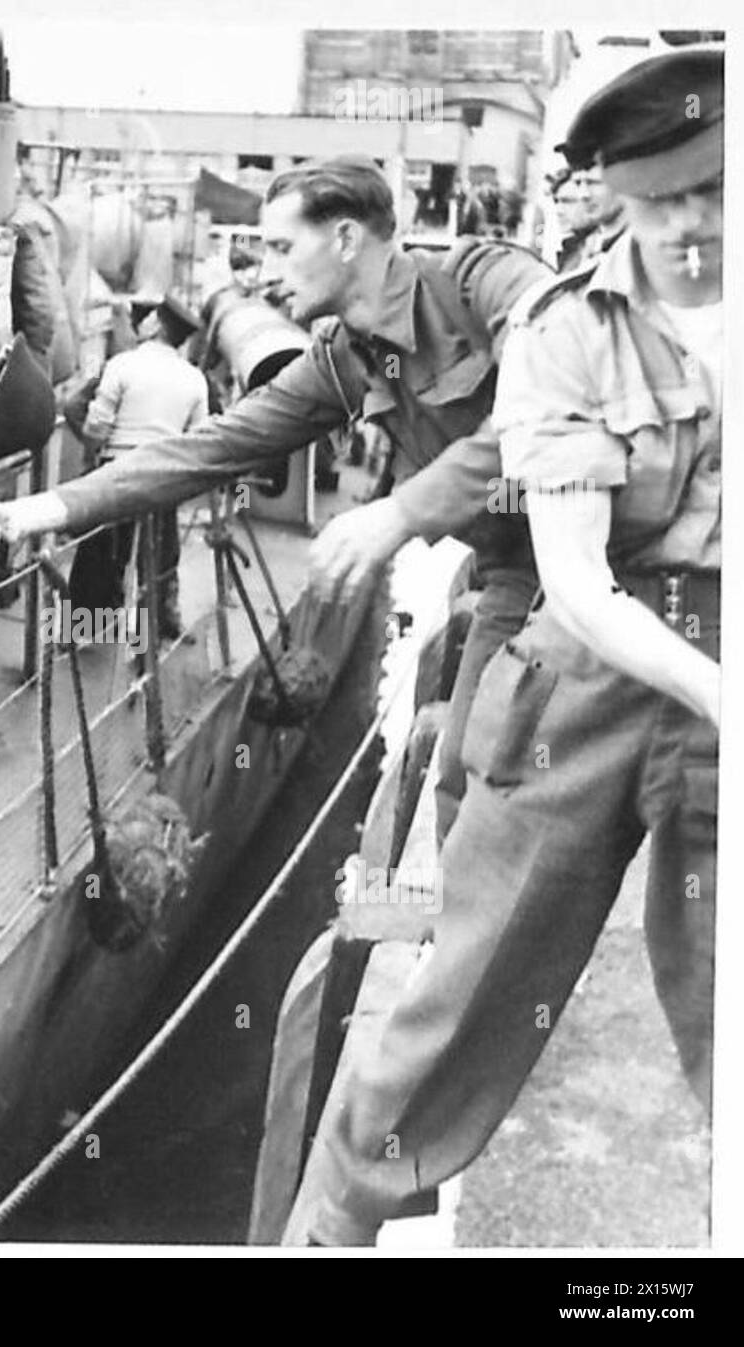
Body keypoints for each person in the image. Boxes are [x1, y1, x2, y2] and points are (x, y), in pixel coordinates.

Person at [281, 46, 721, 1245]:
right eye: (656, 196)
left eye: (709, 191)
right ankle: (337, 1221)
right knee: (468, 975)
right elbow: (574, 568)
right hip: (600, 644)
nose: (685, 221)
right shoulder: (573, 325)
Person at [0, 156, 553, 841]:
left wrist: (399, 512)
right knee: (460, 780)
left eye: (279, 246)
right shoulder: (343, 359)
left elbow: (547, 407)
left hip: (607, 559)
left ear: (343, 239)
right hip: (517, 572)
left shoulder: (483, 281)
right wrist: (40, 510)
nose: (261, 265)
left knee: (535, 788)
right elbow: (209, 449)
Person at [66, 295, 209, 641]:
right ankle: (157, 625)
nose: (139, 323)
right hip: (165, 475)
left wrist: (93, 452)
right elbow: (200, 438)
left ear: (158, 325)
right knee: (162, 554)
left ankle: (83, 630)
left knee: (98, 553)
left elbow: (96, 428)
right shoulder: (195, 379)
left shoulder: (122, 365)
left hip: (118, 471)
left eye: (148, 319)